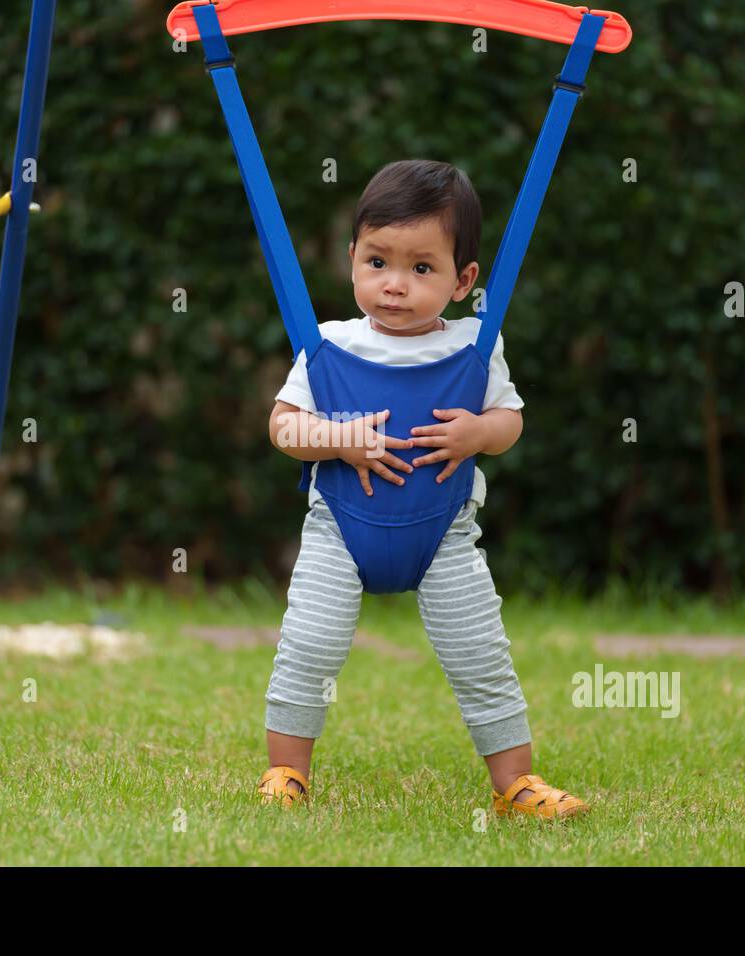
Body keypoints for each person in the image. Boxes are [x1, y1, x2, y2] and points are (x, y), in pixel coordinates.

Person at [261, 159, 588, 819]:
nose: (394, 286)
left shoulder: (474, 347)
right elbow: (282, 428)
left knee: (481, 654)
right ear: (352, 257)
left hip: (444, 533)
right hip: (339, 530)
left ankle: (515, 784)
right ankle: (285, 772)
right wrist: (339, 439)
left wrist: (477, 432)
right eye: (377, 262)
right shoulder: (326, 344)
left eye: (421, 269)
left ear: (463, 281)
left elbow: (510, 422)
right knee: (309, 645)